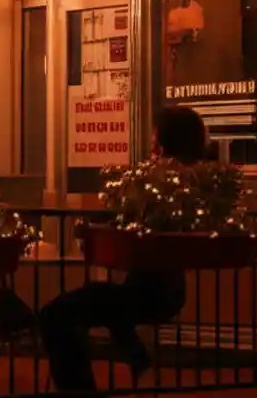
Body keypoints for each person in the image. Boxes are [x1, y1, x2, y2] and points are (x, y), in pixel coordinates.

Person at [39, 107, 213, 394]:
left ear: (165, 139)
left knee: (55, 315)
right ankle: (136, 355)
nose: (151, 141)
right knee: (97, 302)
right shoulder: (189, 179)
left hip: (150, 291)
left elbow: (138, 226)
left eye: (156, 135)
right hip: (158, 288)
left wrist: (98, 230)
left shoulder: (164, 180)